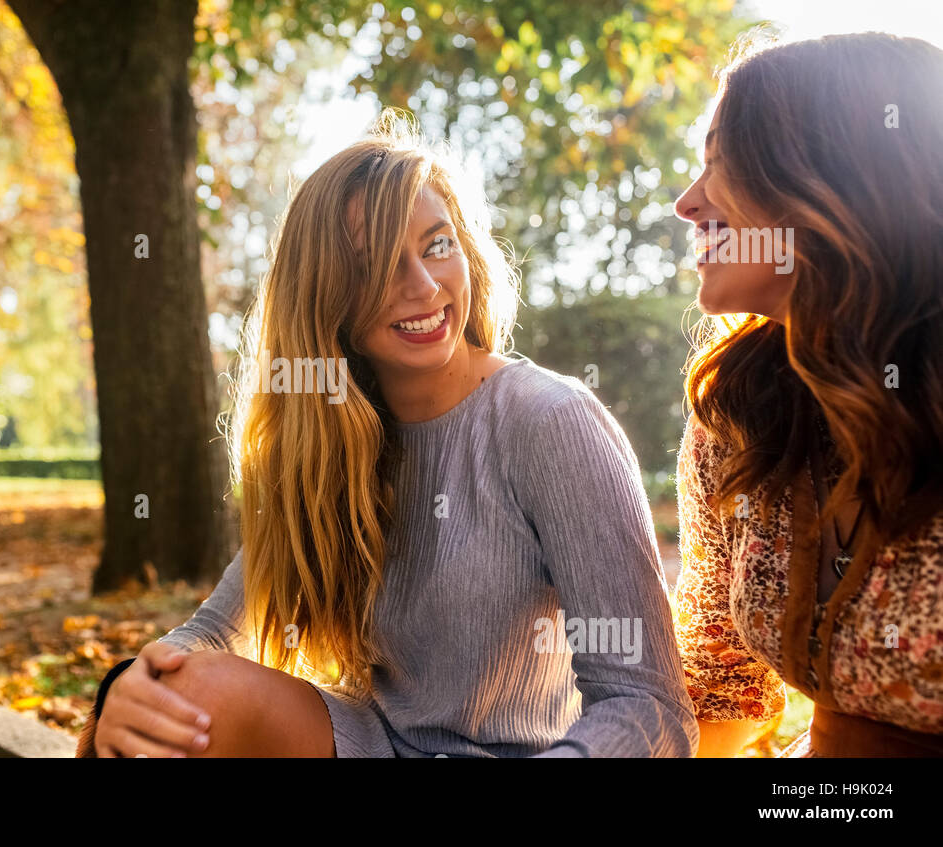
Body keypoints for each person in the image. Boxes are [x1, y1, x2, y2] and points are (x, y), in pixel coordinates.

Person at [80, 111, 696, 757]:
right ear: (323, 296)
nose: (423, 286)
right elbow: (215, 630)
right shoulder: (329, 438)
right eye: (374, 263)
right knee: (169, 704)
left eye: (436, 244)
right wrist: (132, 683)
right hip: (368, 742)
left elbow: (646, 703)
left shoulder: (549, 422)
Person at [671, 32, 943, 757]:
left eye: (720, 165)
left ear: (832, 177)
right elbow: (721, 677)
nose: (685, 204)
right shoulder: (737, 408)